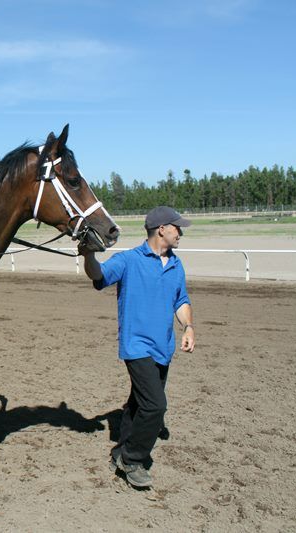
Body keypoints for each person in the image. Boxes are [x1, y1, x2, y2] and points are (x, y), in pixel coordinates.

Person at [78, 206, 196, 489]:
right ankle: (132, 460)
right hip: (137, 346)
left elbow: (181, 301)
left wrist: (188, 326)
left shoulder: (176, 265)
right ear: (162, 229)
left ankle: (119, 452)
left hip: (163, 347)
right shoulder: (129, 260)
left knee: (137, 405)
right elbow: (98, 276)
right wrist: (89, 255)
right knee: (156, 406)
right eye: (177, 227)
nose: (180, 232)